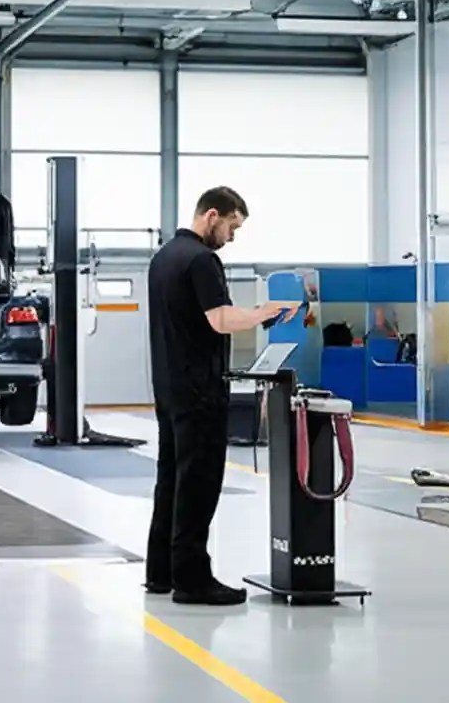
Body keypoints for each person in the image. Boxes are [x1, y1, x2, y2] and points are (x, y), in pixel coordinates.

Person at [145, 186, 297, 606]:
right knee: (198, 484)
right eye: (233, 226)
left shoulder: (163, 258)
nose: (233, 237)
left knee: (171, 479)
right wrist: (263, 313)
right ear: (212, 215)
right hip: (200, 390)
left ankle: (161, 572)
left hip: (169, 386)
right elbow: (221, 320)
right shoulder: (201, 260)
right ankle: (192, 580)